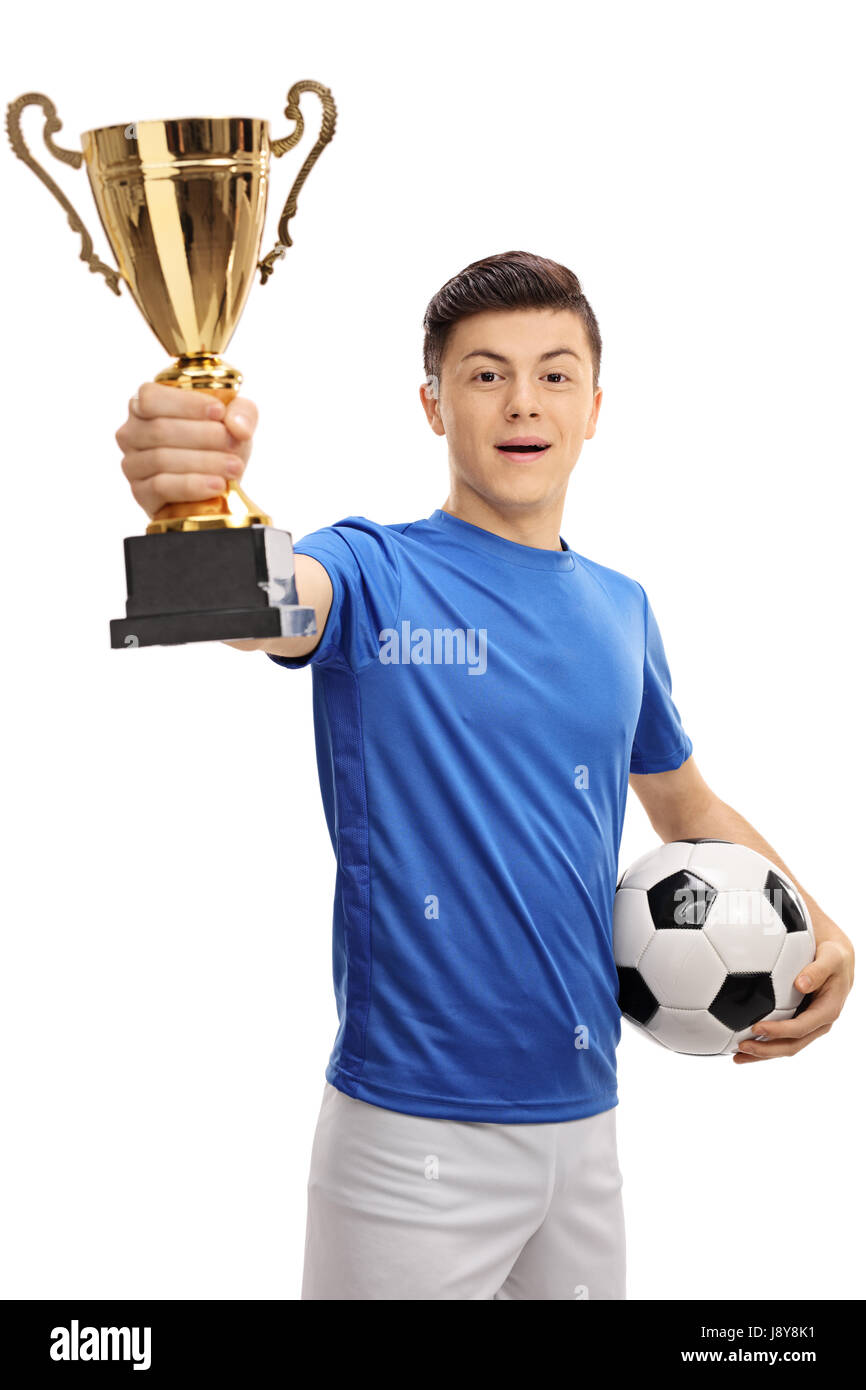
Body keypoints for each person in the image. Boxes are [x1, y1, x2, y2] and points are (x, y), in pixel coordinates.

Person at [115, 250, 855, 1300]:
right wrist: (192, 501)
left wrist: (823, 935)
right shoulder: (374, 570)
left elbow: (685, 805)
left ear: (593, 408)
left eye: (554, 374)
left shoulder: (621, 606)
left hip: (585, 1118)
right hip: (409, 1138)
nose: (522, 402)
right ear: (432, 404)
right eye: (484, 373)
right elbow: (267, 601)